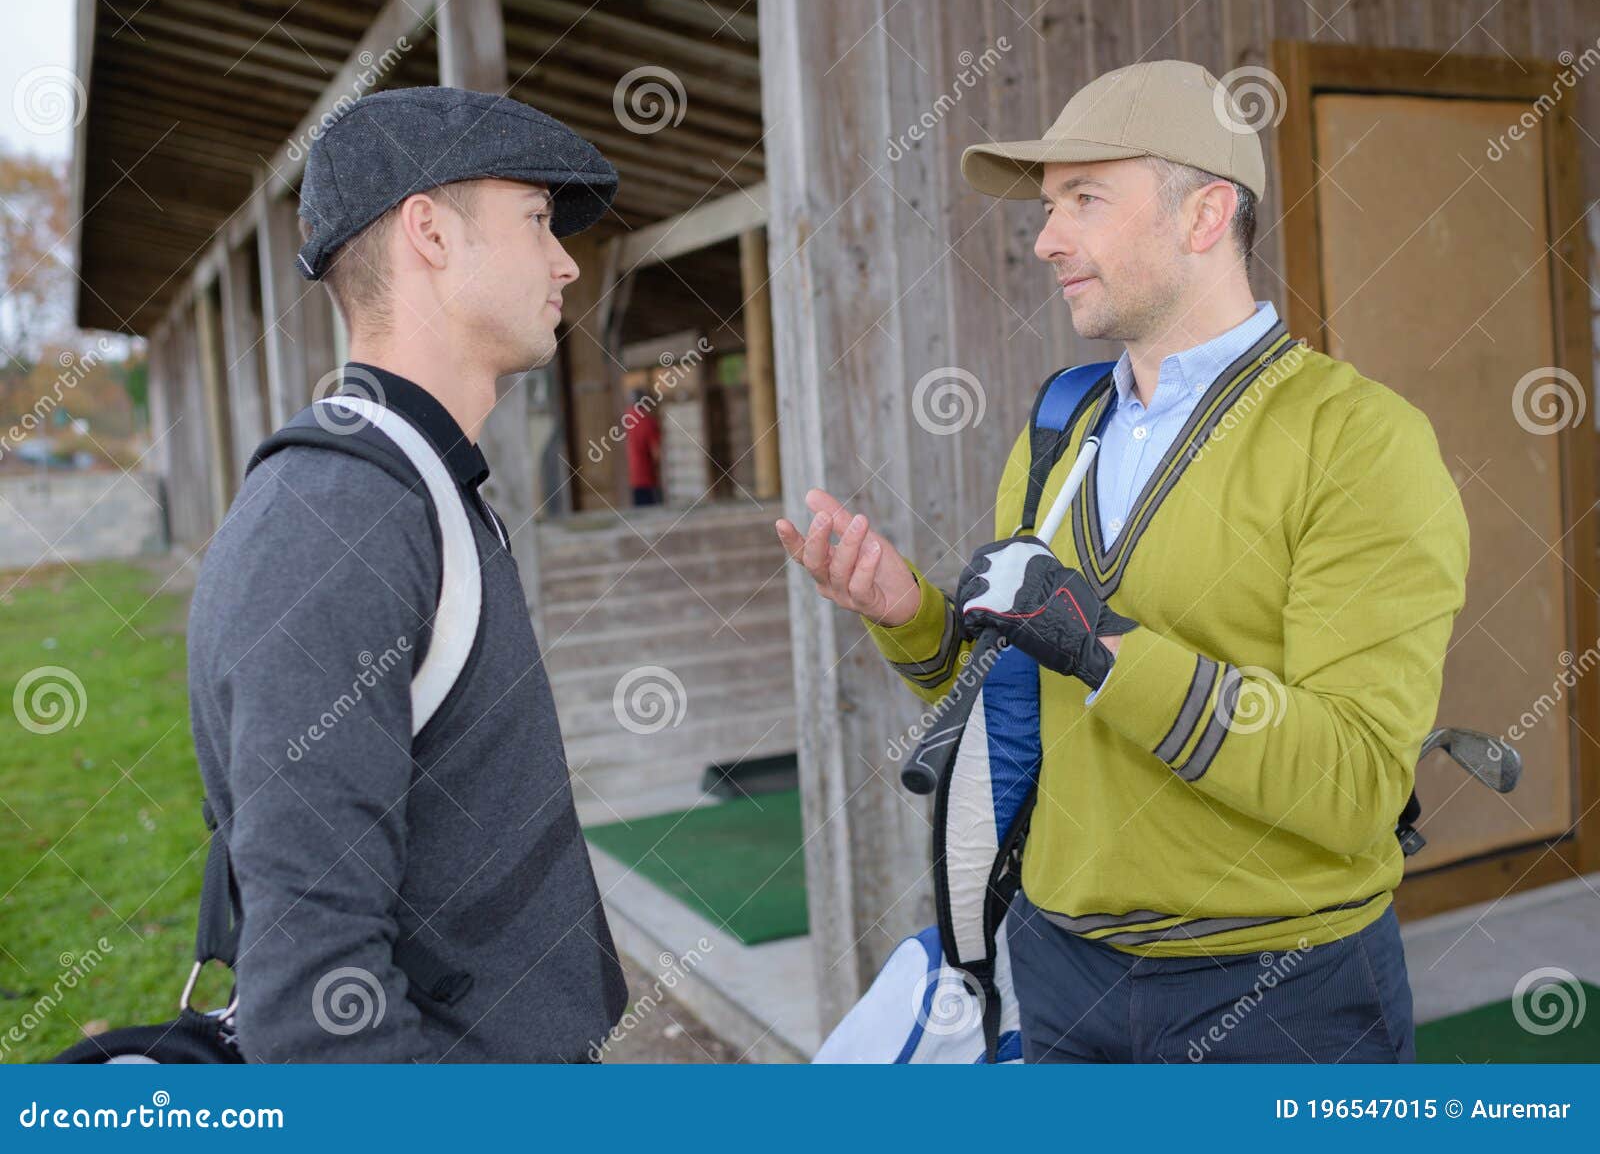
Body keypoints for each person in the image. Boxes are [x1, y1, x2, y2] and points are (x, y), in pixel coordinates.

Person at [777, 60, 1468, 1063]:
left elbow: (1356, 781)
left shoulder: (1360, 441)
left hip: (1281, 990)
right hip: (1062, 974)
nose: (1045, 238)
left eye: (1084, 200)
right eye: (1049, 206)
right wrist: (911, 617)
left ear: (1203, 216)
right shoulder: (1062, 423)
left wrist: (1104, 647)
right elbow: (1012, 691)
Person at [186, 86, 628, 1061]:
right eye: (537, 220)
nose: (564, 262)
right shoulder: (333, 521)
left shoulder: (416, 486)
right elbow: (313, 1008)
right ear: (428, 231)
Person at [625, 386, 663, 506]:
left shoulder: (624, 419)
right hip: (645, 479)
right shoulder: (648, 421)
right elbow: (657, 452)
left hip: (627, 480)